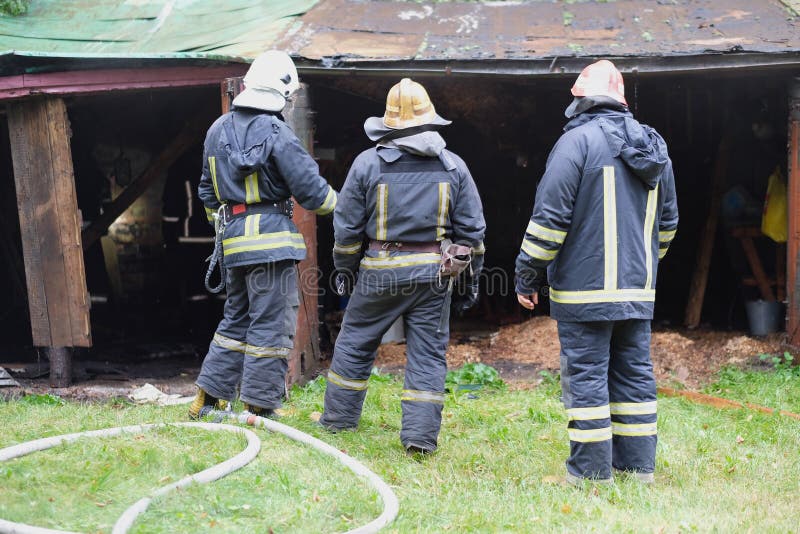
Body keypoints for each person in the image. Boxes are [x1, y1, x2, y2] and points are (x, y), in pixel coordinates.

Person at [515, 60, 678, 484]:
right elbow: (668, 225)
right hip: (637, 292)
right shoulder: (654, 146)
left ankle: (590, 475)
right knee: (634, 378)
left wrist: (527, 274)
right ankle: (638, 470)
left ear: (580, 101)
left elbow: (549, 222)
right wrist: (641, 268)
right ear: (620, 101)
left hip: (583, 294)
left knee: (587, 378)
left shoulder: (576, 143)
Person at [319, 78, 486, 454]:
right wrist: (470, 280)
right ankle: (420, 439)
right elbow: (473, 234)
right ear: (429, 119)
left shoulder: (367, 164)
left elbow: (346, 230)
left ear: (389, 124)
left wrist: (345, 270)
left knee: (355, 342)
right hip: (433, 274)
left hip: (379, 271)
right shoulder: (454, 167)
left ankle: (338, 422)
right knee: (428, 353)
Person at [189, 50, 337, 418]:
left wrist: (227, 228)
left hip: (234, 244)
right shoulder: (277, 131)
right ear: (282, 91)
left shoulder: (217, 130)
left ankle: (208, 398)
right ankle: (259, 406)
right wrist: (346, 207)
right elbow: (313, 193)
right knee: (272, 324)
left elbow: (207, 192)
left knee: (236, 320)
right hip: (272, 244)